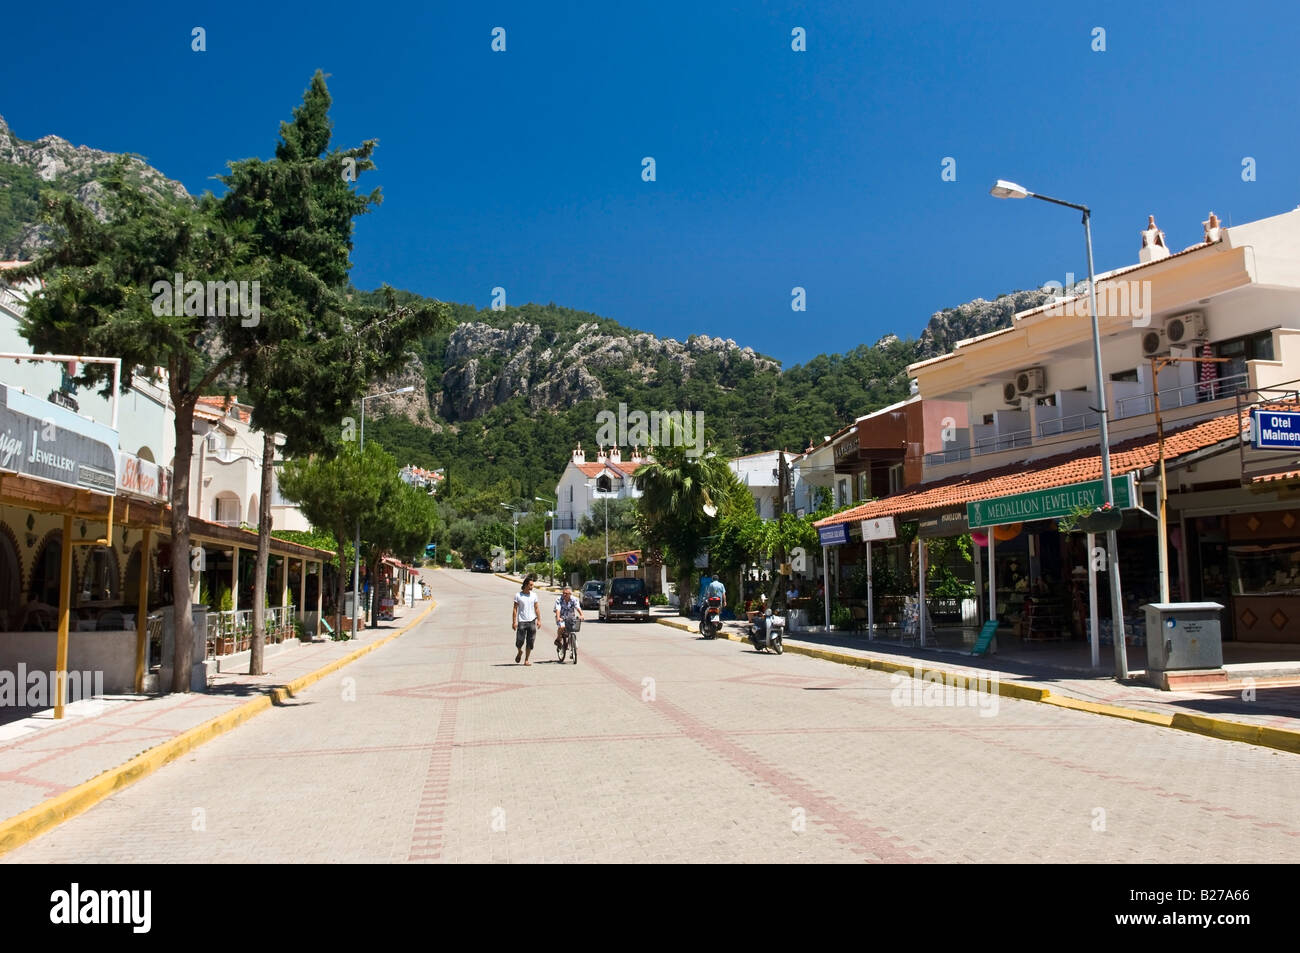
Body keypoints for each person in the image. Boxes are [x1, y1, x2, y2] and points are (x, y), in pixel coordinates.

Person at [512, 574, 542, 665]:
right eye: (531, 585)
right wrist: (514, 622)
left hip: (532, 621)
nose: (532, 587)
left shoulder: (534, 595)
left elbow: (536, 608)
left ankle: (526, 660)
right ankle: (520, 651)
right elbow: (515, 609)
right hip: (522, 622)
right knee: (519, 641)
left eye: (532, 585)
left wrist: (539, 620)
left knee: (530, 642)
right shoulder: (518, 595)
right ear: (526, 585)